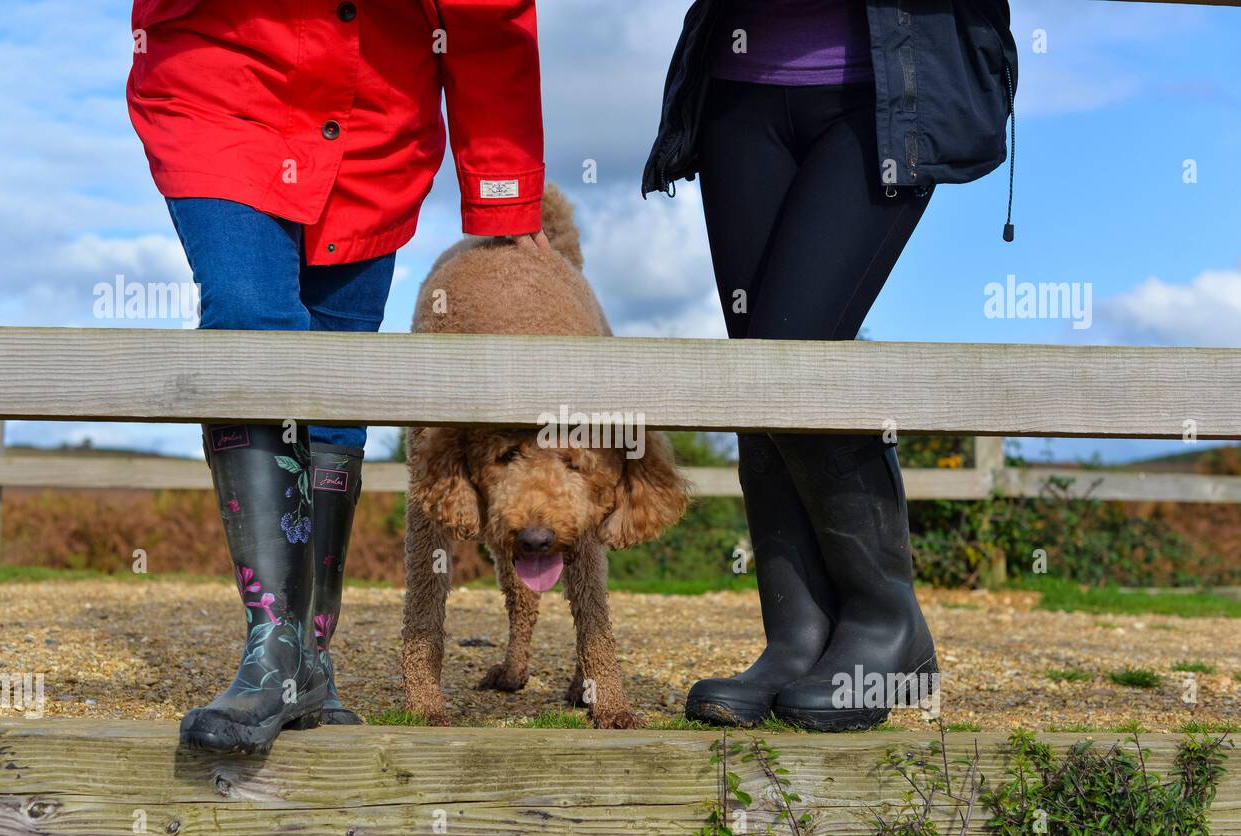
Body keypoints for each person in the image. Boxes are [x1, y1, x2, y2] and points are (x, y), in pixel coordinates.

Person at [127, 0, 547, 754]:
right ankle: (273, 650)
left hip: (376, 107)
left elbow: (490, 10)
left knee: (336, 380)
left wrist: (503, 191)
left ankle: (310, 657)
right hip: (226, 76)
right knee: (252, 325)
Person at [643, 0, 1018, 730]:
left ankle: (887, 627)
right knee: (755, 373)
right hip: (738, 80)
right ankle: (796, 637)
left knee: (796, 355)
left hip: (887, 89)